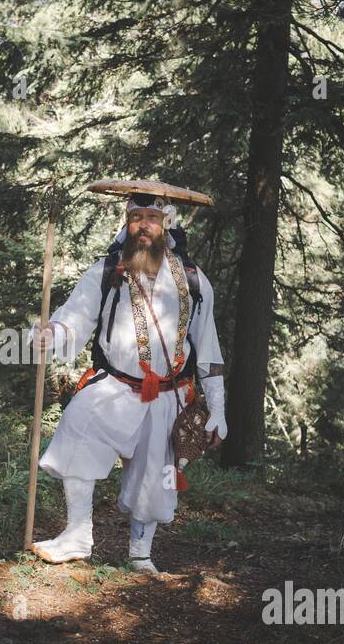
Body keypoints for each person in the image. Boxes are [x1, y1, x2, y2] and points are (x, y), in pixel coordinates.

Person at [27, 190, 226, 573]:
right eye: (137, 218)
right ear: (127, 222)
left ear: (166, 223)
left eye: (152, 218)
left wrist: (217, 408)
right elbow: (75, 318)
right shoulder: (106, 271)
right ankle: (77, 535)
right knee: (77, 432)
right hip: (113, 386)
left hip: (168, 397)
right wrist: (53, 332)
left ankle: (140, 553)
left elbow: (210, 349)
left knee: (154, 480)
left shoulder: (194, 281)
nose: (144, 226)